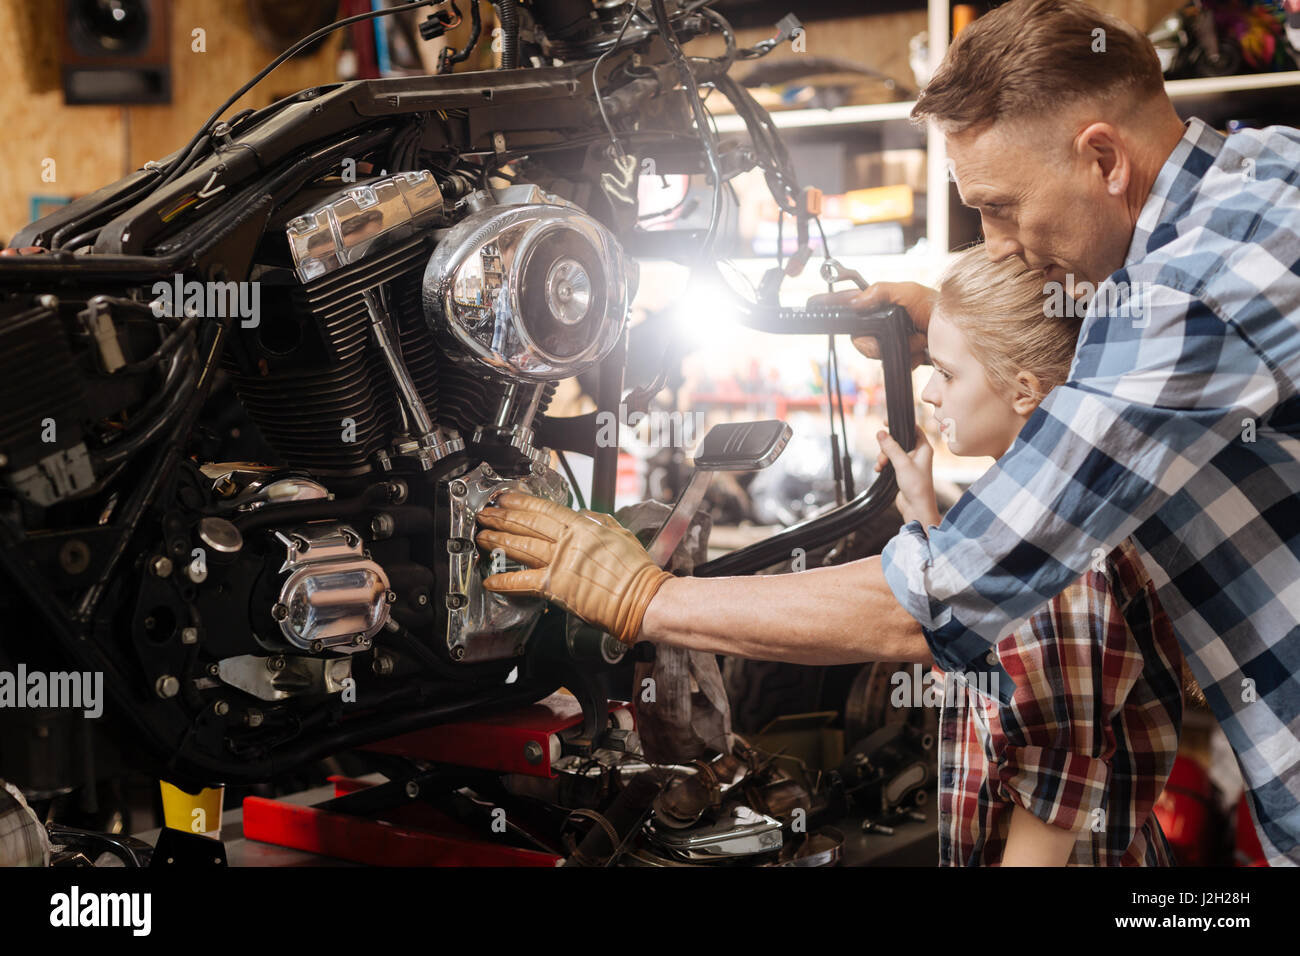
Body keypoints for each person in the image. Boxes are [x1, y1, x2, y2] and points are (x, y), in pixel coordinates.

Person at [474, 0, 1300, 864]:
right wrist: (961, 328)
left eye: (1002, 206)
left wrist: (644, 598)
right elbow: (1147, 379)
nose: (999, 247)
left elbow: (947, 595)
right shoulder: (1258, 181)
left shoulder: (1190, 289)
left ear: (1103, 158)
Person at [876, 245, 1183, 865]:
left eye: (947, 373)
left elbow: (1052, 802)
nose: (930, 393)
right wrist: (924, 511)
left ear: (1023, 391)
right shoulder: (1024, 514)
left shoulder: (1053, 550)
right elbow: (990, 669)